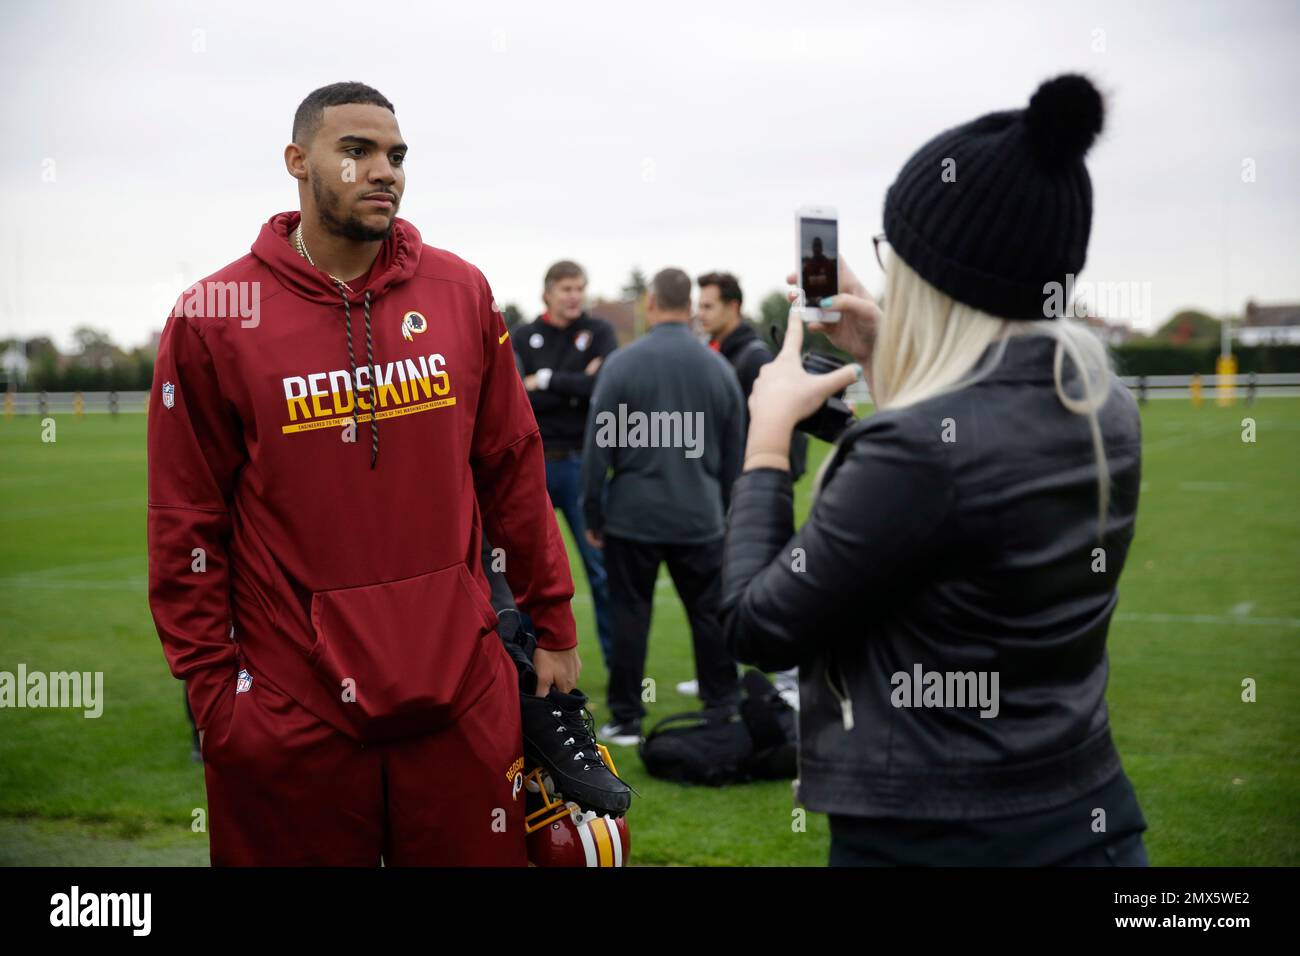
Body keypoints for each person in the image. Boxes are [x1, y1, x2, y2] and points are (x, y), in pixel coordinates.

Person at [147, 82, 581, 866]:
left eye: (396, 155)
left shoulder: (460, 291)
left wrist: (551, 624)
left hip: (461, 692)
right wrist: (214, 694)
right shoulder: (214, 314)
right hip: (291, 705)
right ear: (297, 162)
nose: (384, 170)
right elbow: (185, 520)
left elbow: (514, 470)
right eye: (356, 151)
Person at [720, 74, 1149, 866]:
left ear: (935, 278)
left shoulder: (916, 454)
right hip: (1088, 815)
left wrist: (768, 437)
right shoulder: (1104, 408)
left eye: (896, 257)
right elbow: (982, 427)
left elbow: (758, 623)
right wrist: (889, 350)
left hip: (935, 838)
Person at [582, 268, 745, 745]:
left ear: (651, 303)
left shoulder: (622, 365)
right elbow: (735, 452)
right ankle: (722, 704)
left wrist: (593, 512)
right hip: (700, 517)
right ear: (690, 304)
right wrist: (724, 507)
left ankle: (628, 717)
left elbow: (598, 452)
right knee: (710, 615)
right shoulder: (717, 366)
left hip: (634, 517)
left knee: (630, 615)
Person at [691, 271, 807, 706]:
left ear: (733, 308)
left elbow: (782, 421)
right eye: (699, 306)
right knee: (733, 579)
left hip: (758, 487)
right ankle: (725, 673)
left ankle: (792, 678)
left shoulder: (752, 356)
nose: (700, 315)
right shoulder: (722, 353)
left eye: (708, 306)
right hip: (738, 484)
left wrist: (775, 477)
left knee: (773, 581)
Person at [513, 262, 619, 666]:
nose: (574, 296)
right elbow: (518, 398)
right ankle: (525, 670)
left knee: (601, 571)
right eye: (566, 288)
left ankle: (619, 674)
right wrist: (574, 384)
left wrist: (547, 380)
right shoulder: (523, 336)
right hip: (534, 466)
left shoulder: (600, 332)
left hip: (582, 465)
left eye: (580, 288)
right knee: (527, 575)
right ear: (547, 294)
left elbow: (602, 388)